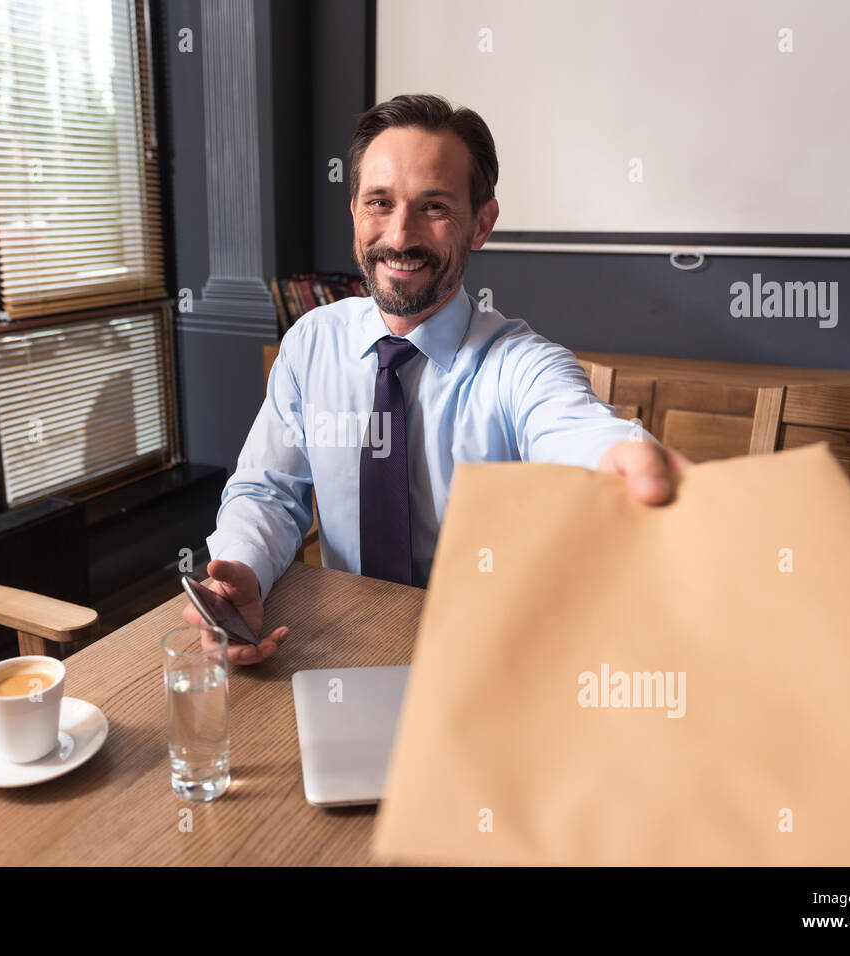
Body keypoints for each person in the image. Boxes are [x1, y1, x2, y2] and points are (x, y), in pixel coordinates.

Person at [184, 93, 690, 663]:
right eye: (380, 202)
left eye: (434, 207)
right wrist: (243, 570)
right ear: (354, 211)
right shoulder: (310, 343)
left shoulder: (519, 364)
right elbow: (269, 491)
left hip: (487, 666)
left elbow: (573, 424)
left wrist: (622, 460)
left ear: (482, 224)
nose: (400, 237)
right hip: (343, 648)